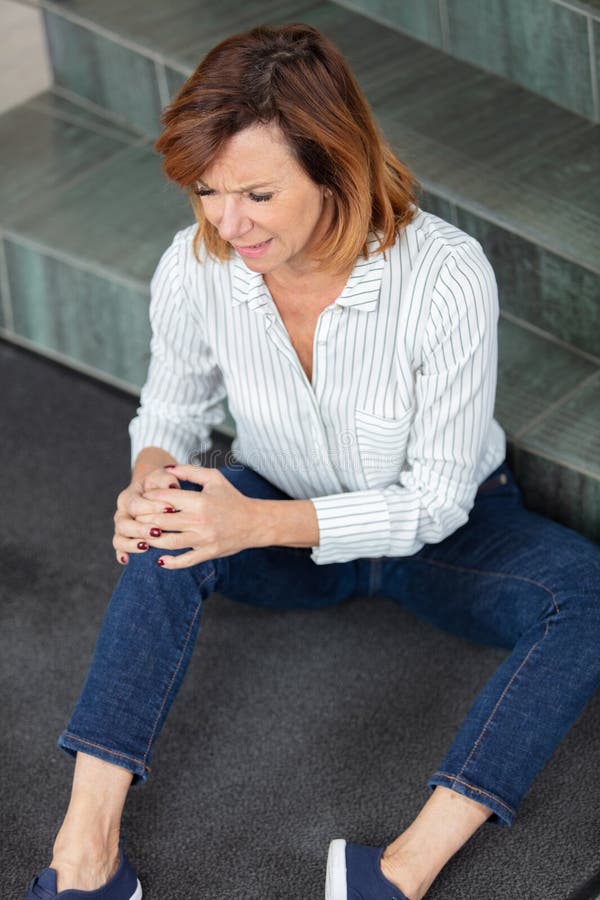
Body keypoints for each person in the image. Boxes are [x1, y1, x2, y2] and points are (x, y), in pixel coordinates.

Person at [25, 23, 600, 900]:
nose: (228, 221)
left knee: (588, 594)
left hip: (440, 536)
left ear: (336, 167)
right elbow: (173, 407)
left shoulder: (446, 277)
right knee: (170, 515)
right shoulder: (198, 261)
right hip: (282, 522)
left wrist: (251, 521)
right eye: (209, 191)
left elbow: (438, 500)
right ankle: (86, 859)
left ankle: (397, 871)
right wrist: (148, 481)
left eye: (256, 193)